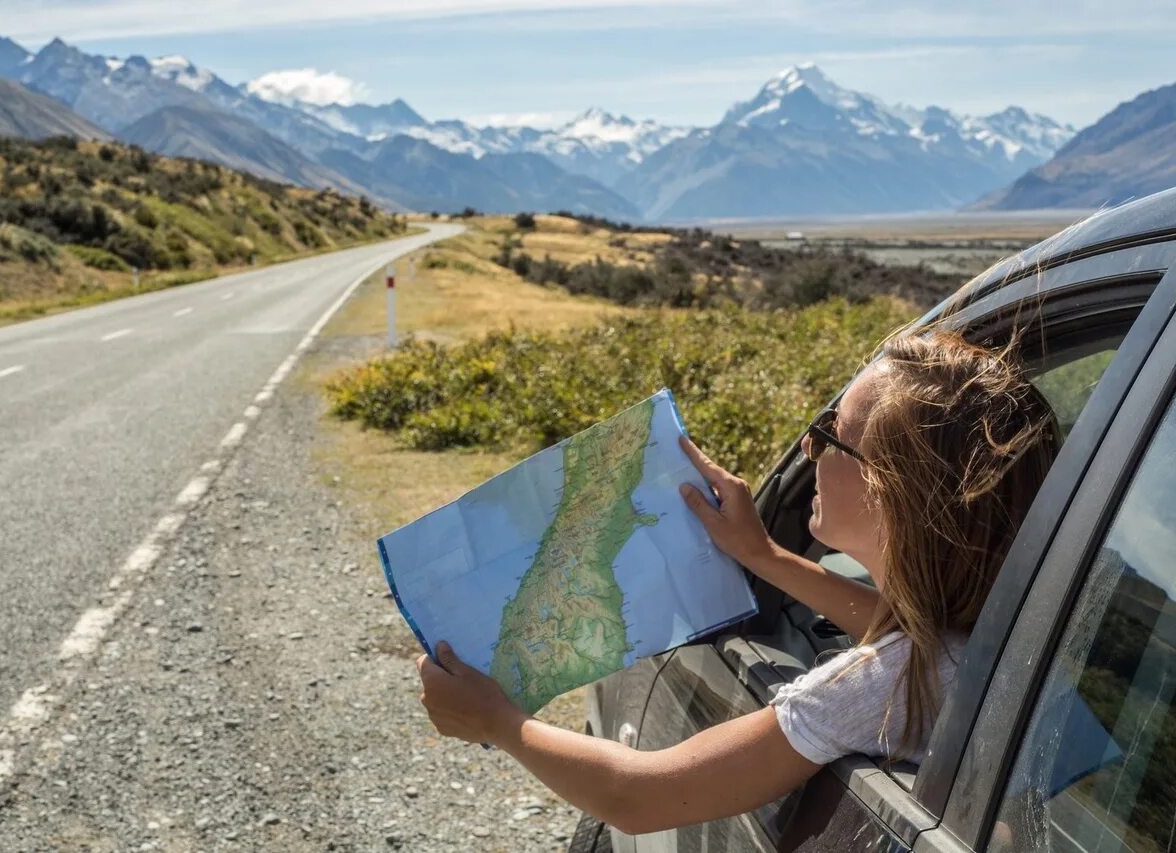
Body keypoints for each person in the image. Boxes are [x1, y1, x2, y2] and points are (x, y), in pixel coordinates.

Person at [414, 326, 1062, 835]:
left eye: (830, 436)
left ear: (889, 493)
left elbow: (635, 795)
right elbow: (910, 632)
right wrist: (764, 555)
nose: (810, 452)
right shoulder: (989, 635)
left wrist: (498, 721)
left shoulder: (874, 687)